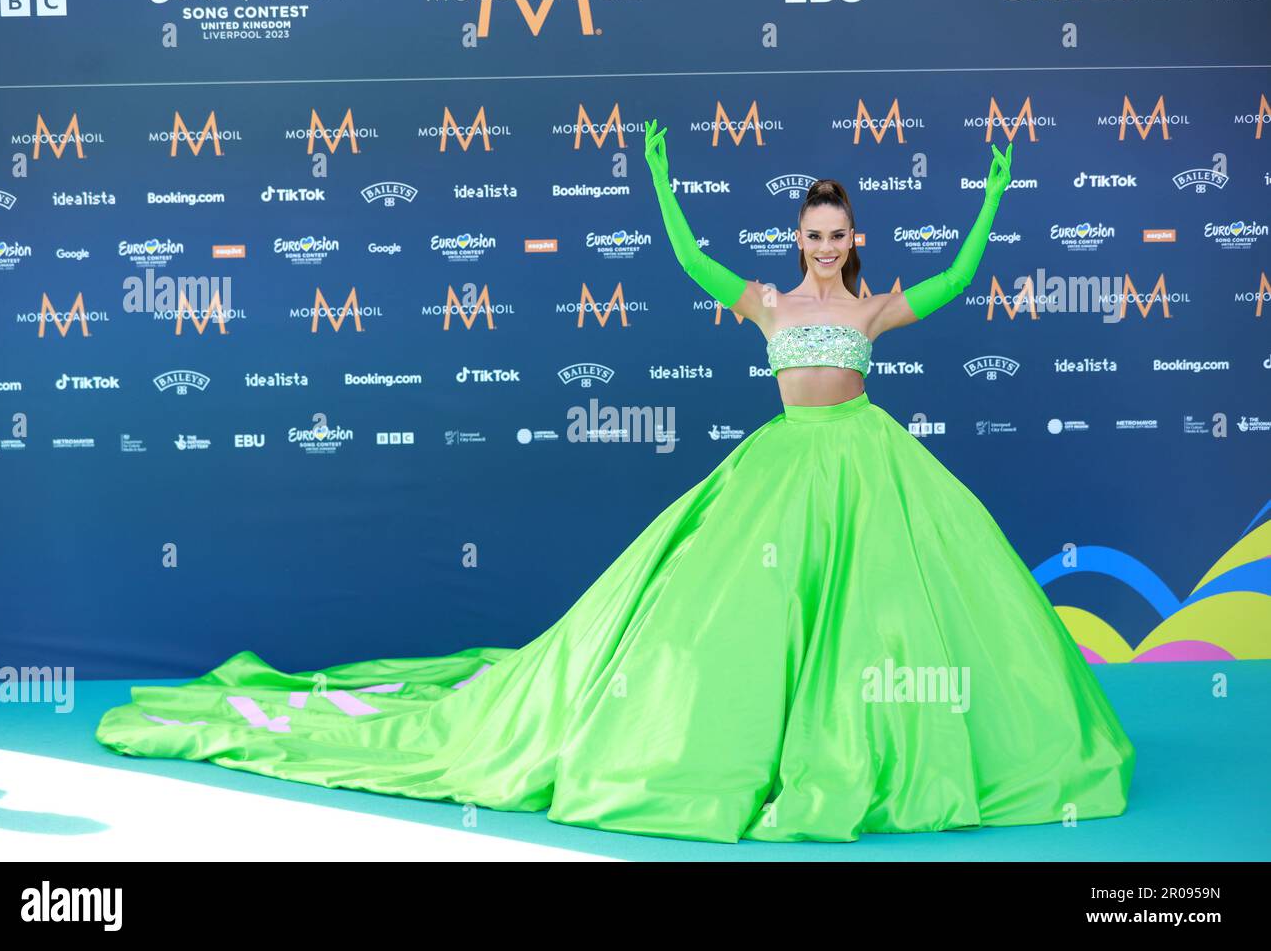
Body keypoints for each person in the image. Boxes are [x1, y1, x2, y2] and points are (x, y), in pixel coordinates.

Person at [94, 120, 1136, 845]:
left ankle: (870, 753)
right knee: (734, 625)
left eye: (837, 235)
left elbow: (953, 282)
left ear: (855, 239)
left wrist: (995, 196)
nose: (824, 248)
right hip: (779, 475)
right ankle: (739, 751)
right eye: (812, 235)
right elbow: (685, 259)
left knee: (884, 627)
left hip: (869, 467)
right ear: (797, 240)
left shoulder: (869, 314)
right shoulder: (767, 303)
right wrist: (658, 182)